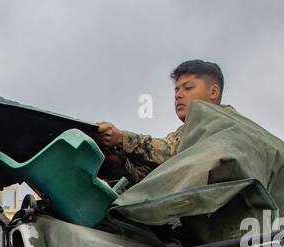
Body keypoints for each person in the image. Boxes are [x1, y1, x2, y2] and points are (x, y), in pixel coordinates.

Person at [96, 59, 232, 186]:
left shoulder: (224, 123)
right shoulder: (184, 131)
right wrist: (117, 160)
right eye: (176, 89)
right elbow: (155, 178)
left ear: (213, 92)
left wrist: (121, 138)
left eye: (188, 88)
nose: (178, 95)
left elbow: (173, 153)